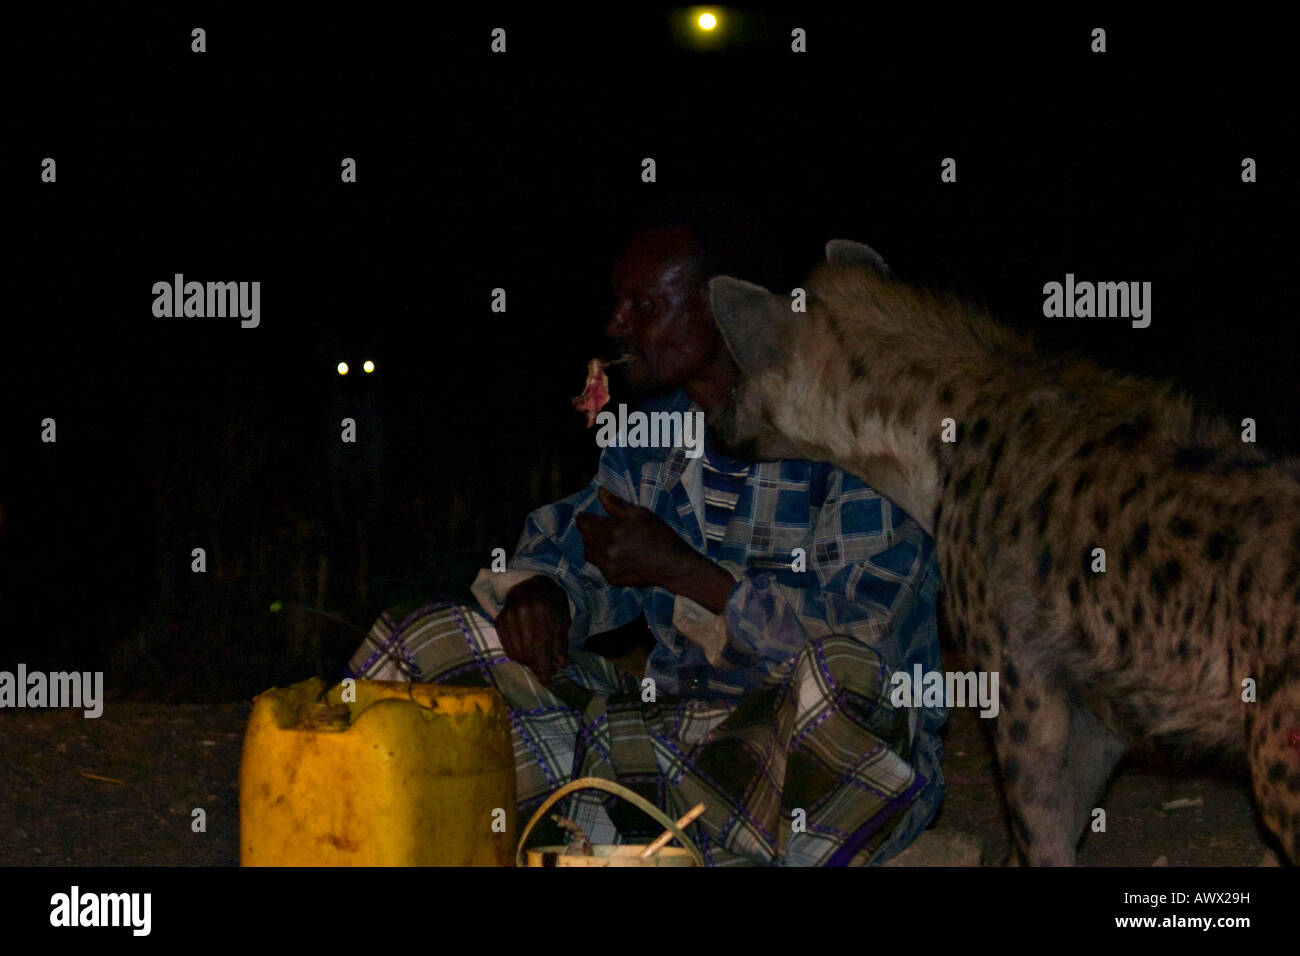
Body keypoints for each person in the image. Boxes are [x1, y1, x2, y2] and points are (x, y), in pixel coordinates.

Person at [346, 223, 946, 865]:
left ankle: (618, 834)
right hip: (669, 741)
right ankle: (641, 839)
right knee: (431, 639)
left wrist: (689, 574)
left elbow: (865, 646)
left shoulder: (853, 440)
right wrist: (548, 593)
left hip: (806, 750)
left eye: (645, 306)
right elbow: (581, 543)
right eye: (619, 302)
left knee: (841, 686)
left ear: (727, 310)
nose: (615, 325)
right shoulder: (656, 432)